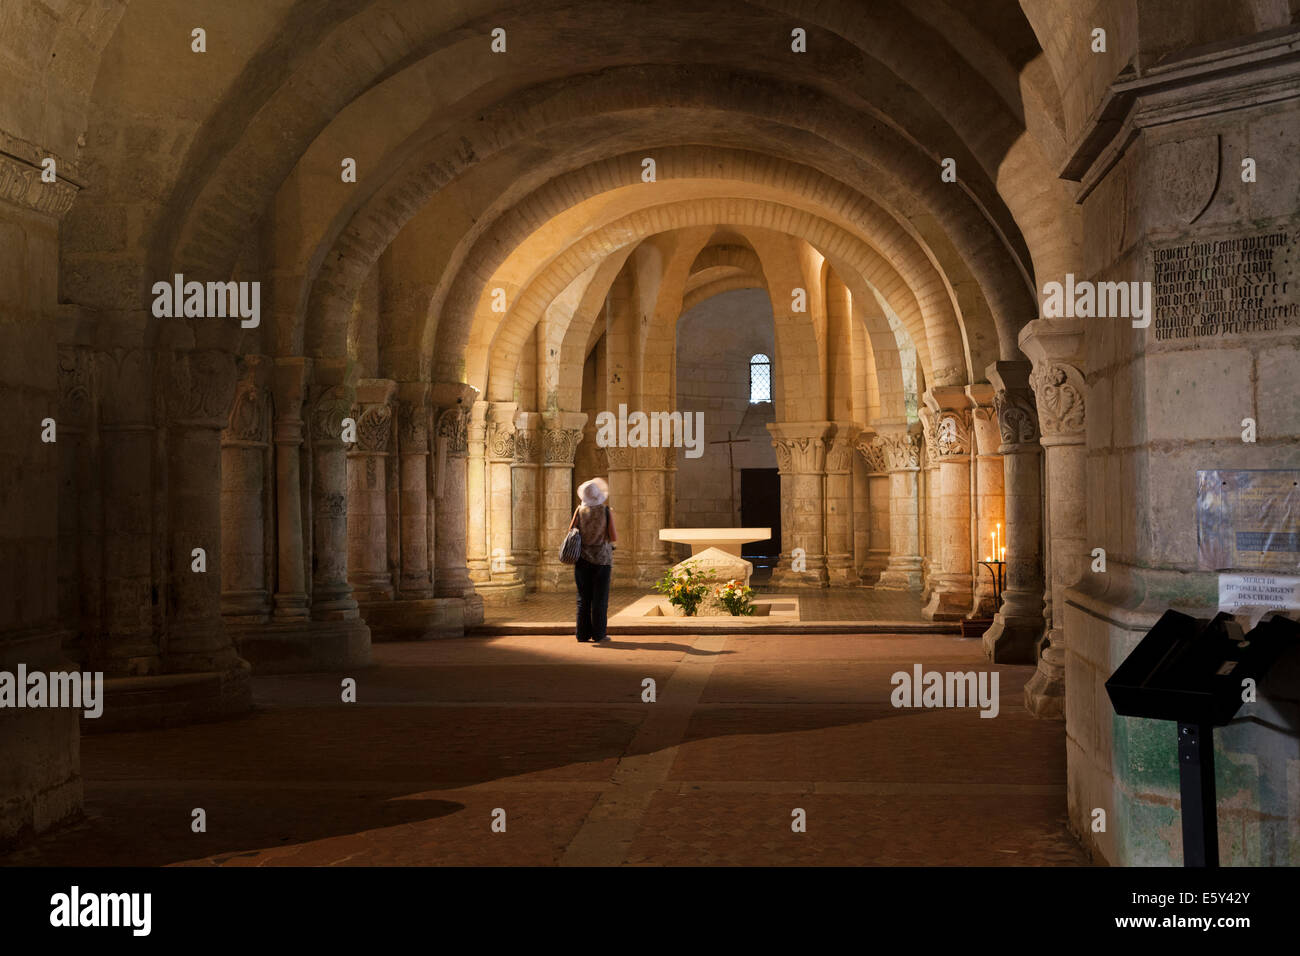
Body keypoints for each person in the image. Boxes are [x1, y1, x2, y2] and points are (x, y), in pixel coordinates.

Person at [571, 477, 616, 643]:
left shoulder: (579, 511)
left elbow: (571, 532)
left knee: (583, 599)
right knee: (600, 599)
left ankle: (581, 634)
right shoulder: (605, 511)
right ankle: (599, 634)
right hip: (602, 561)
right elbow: (613, 536)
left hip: (582, 559)